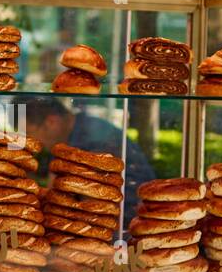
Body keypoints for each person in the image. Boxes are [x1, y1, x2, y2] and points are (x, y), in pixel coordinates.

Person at [23, 96, 156, 227]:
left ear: (51, 122)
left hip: (128, 219)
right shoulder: (70, 137)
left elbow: (90, 198)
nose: (34, 142)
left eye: (30, 133)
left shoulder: (89, 139)